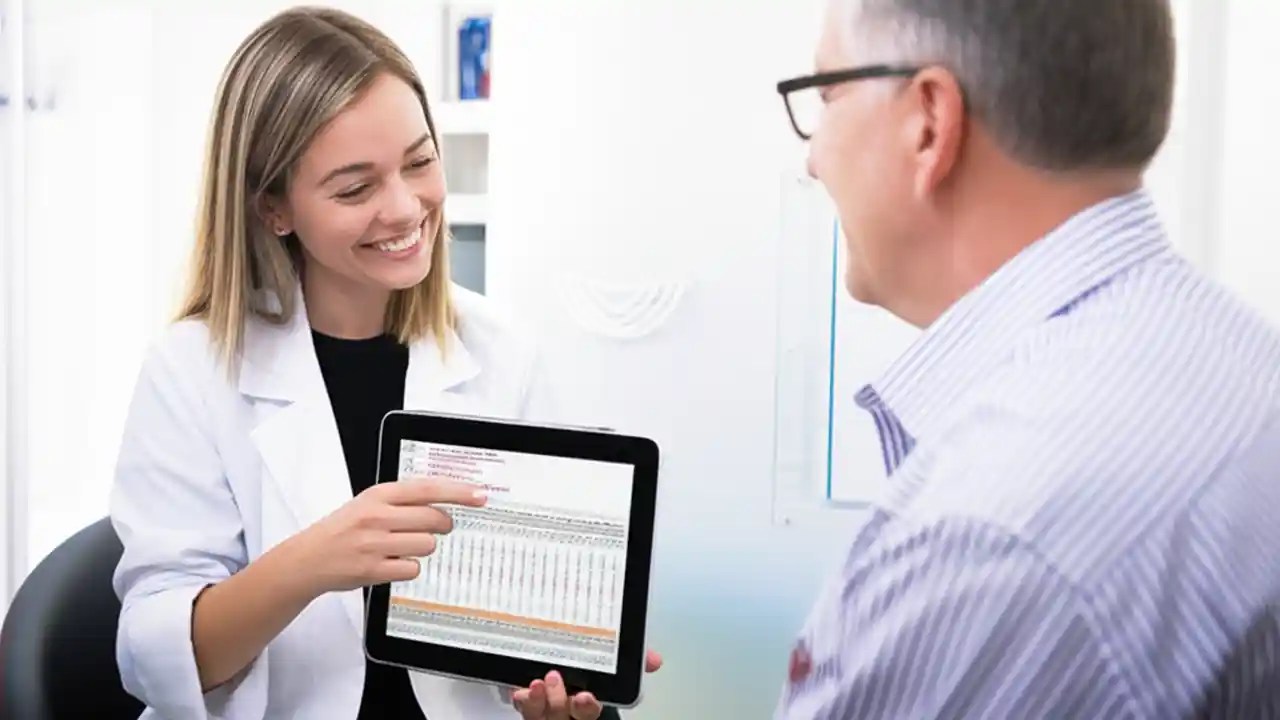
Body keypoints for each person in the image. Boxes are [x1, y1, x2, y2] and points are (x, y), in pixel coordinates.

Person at [109, 7, 658, 720]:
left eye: (421, 162)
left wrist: (551, 691)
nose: (406, 208)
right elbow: (155, 661)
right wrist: (313, 562)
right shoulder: (192, 370)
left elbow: (515, 634)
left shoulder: (500, 351)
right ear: (274, 206)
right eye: (355, 188)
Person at [773, 0, 1280, 717]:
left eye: (826, 95)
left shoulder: (989, 537)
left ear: (928, 123)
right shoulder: (1233, 360)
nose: (813, 156)